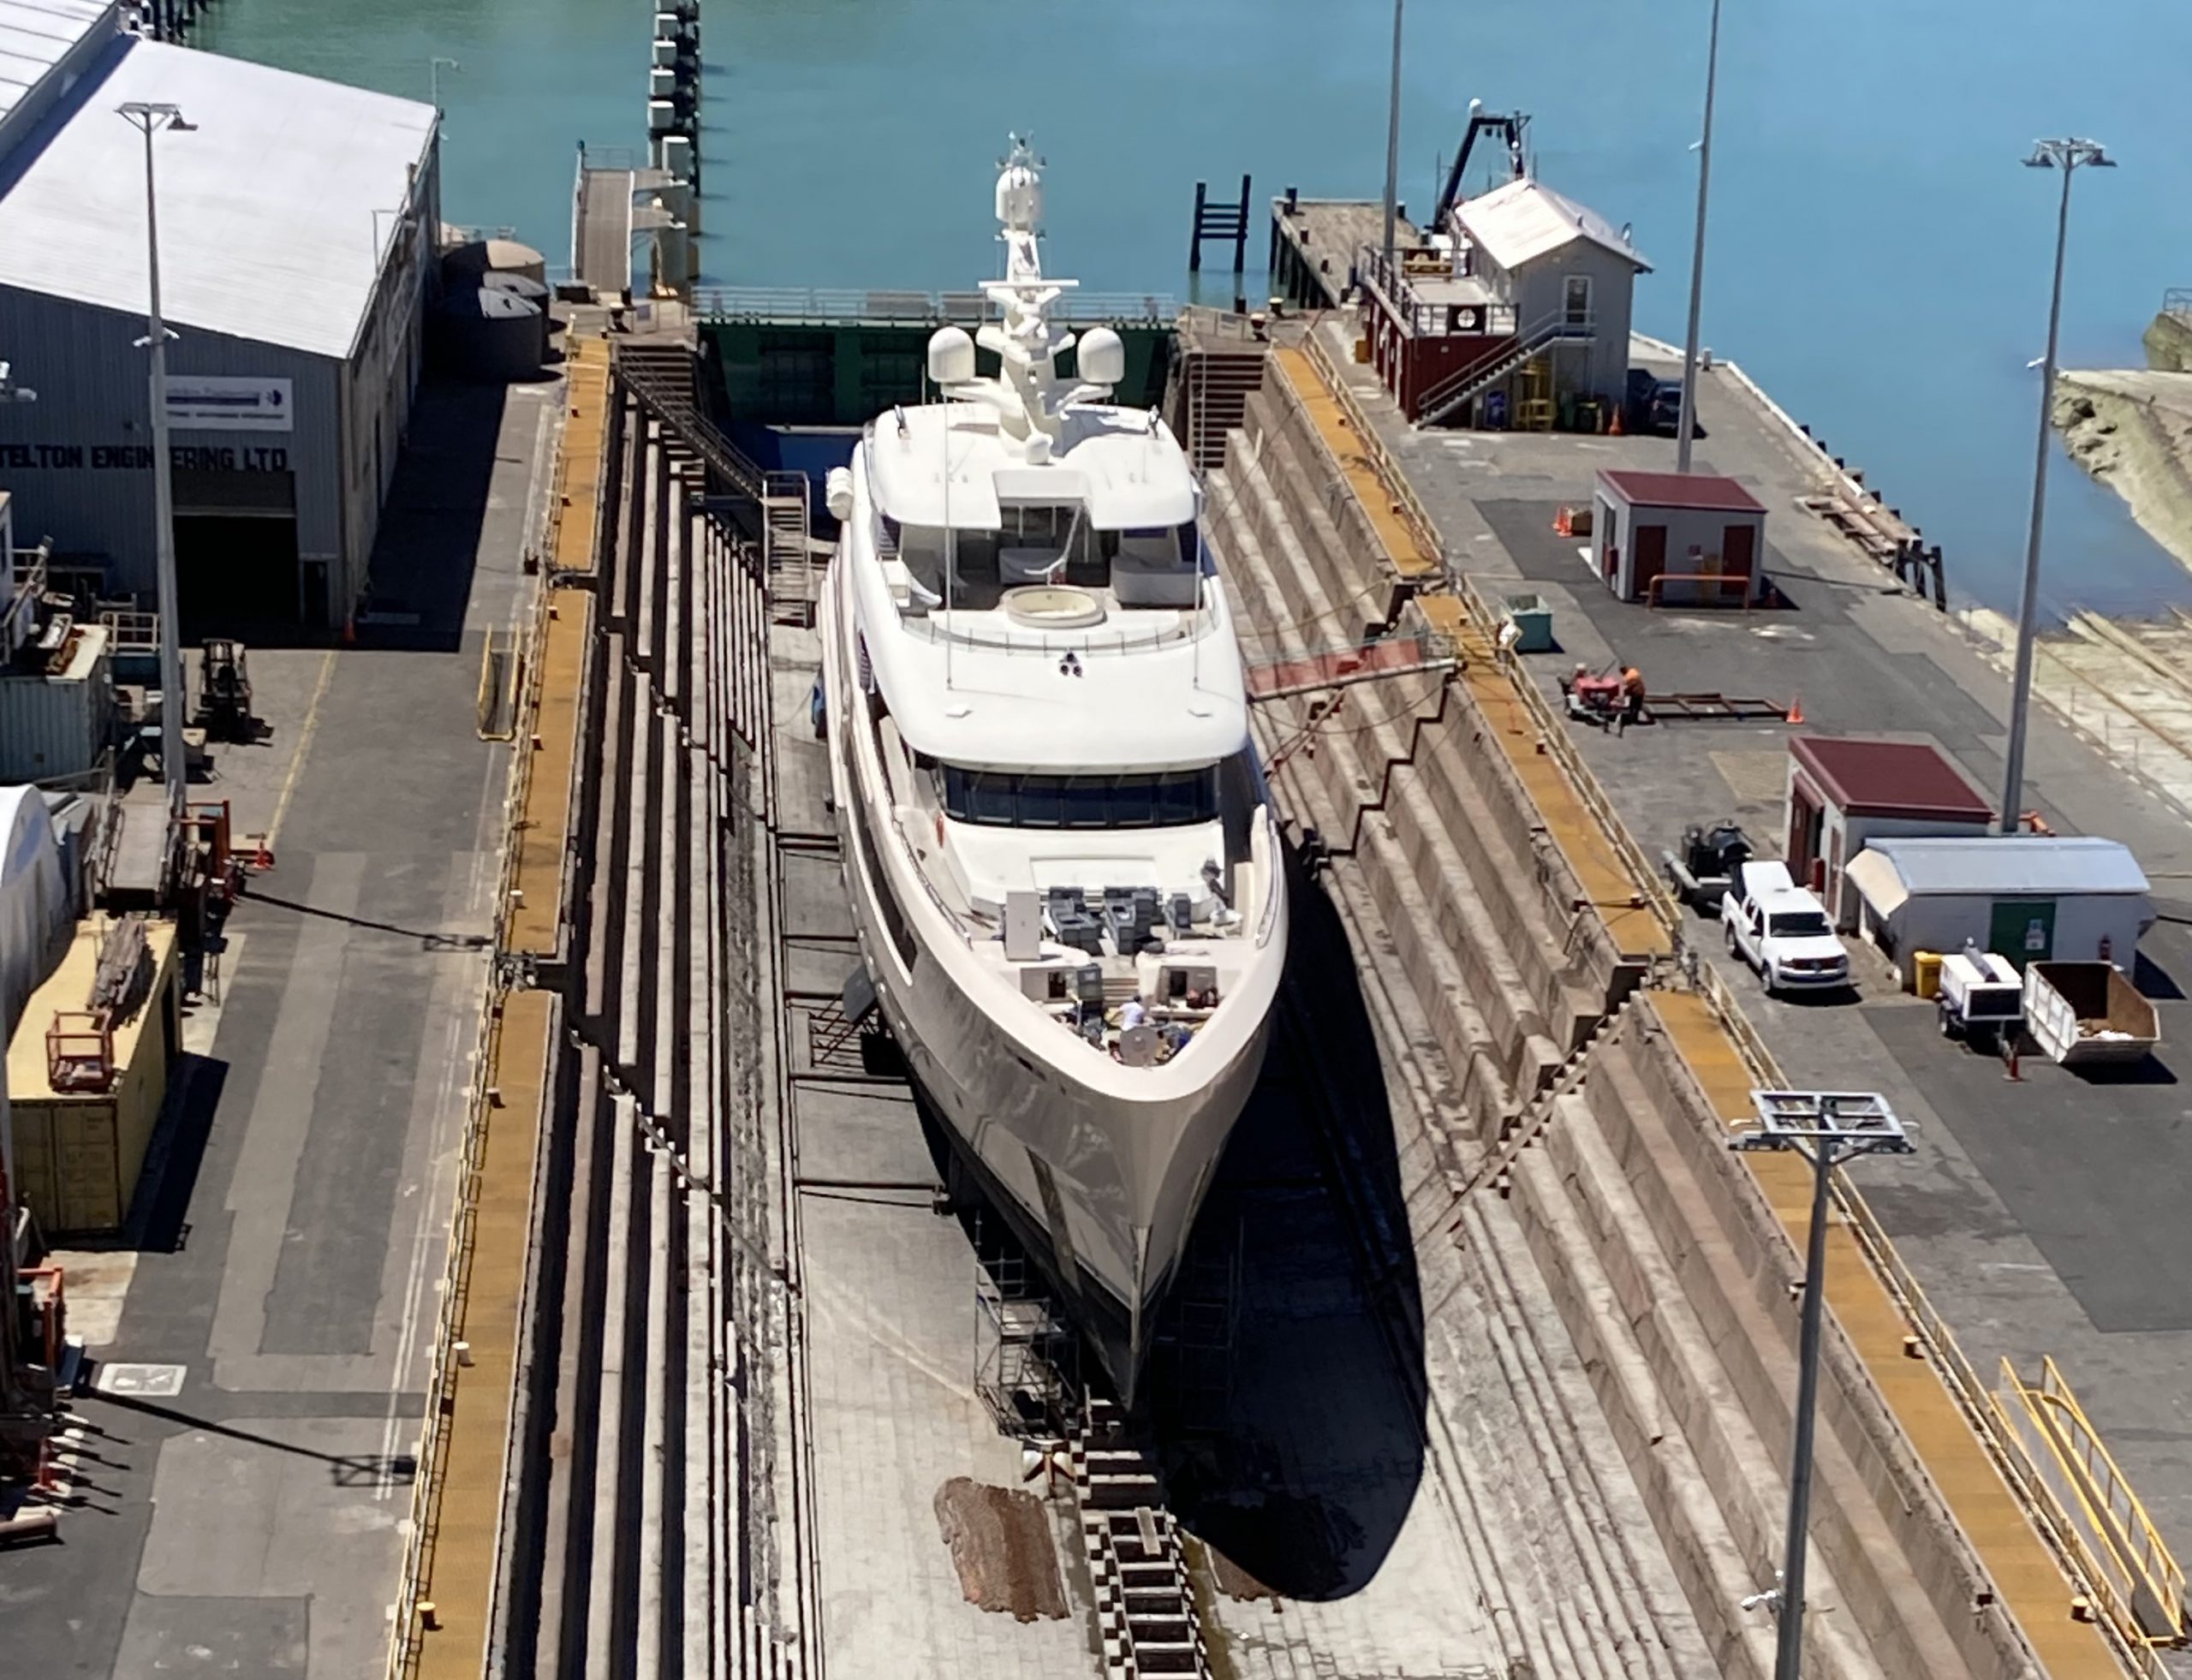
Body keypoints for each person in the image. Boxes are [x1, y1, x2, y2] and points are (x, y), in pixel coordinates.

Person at [1617, 664, 1647, 736]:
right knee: (1637, 706)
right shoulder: (1633, 671)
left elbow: (1629, 688)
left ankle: (1632, 719)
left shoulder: (1627, 678)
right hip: (1641, 690)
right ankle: (1634, 718)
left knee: (1633, 705)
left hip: (1636, 692)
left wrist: (1624, 695)